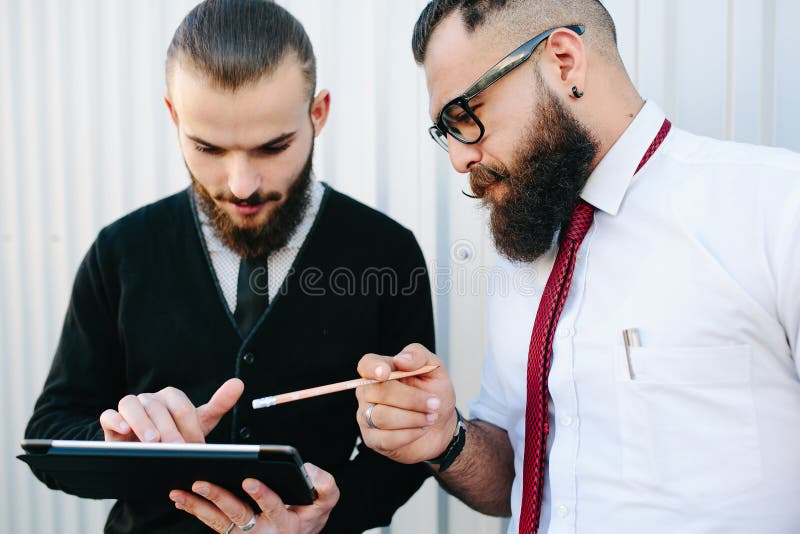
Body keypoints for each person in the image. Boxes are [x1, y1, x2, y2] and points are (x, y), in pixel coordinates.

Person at [354, 1, 800, 533]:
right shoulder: (523, 254)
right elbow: (520, 484)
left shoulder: (777, 210)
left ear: (564, 62)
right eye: (444, 132)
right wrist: (445, 438)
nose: (458, 158)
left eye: (465, 116)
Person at [24, 1, 434, 532]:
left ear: (319, 113)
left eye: (273, 147)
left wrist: (328, 516)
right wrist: (119, 445)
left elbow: (408, 447)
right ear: (174, 116)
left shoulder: (387, 252)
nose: (240, 185)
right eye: (208, 148)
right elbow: (53, 428)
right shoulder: (120, 252)